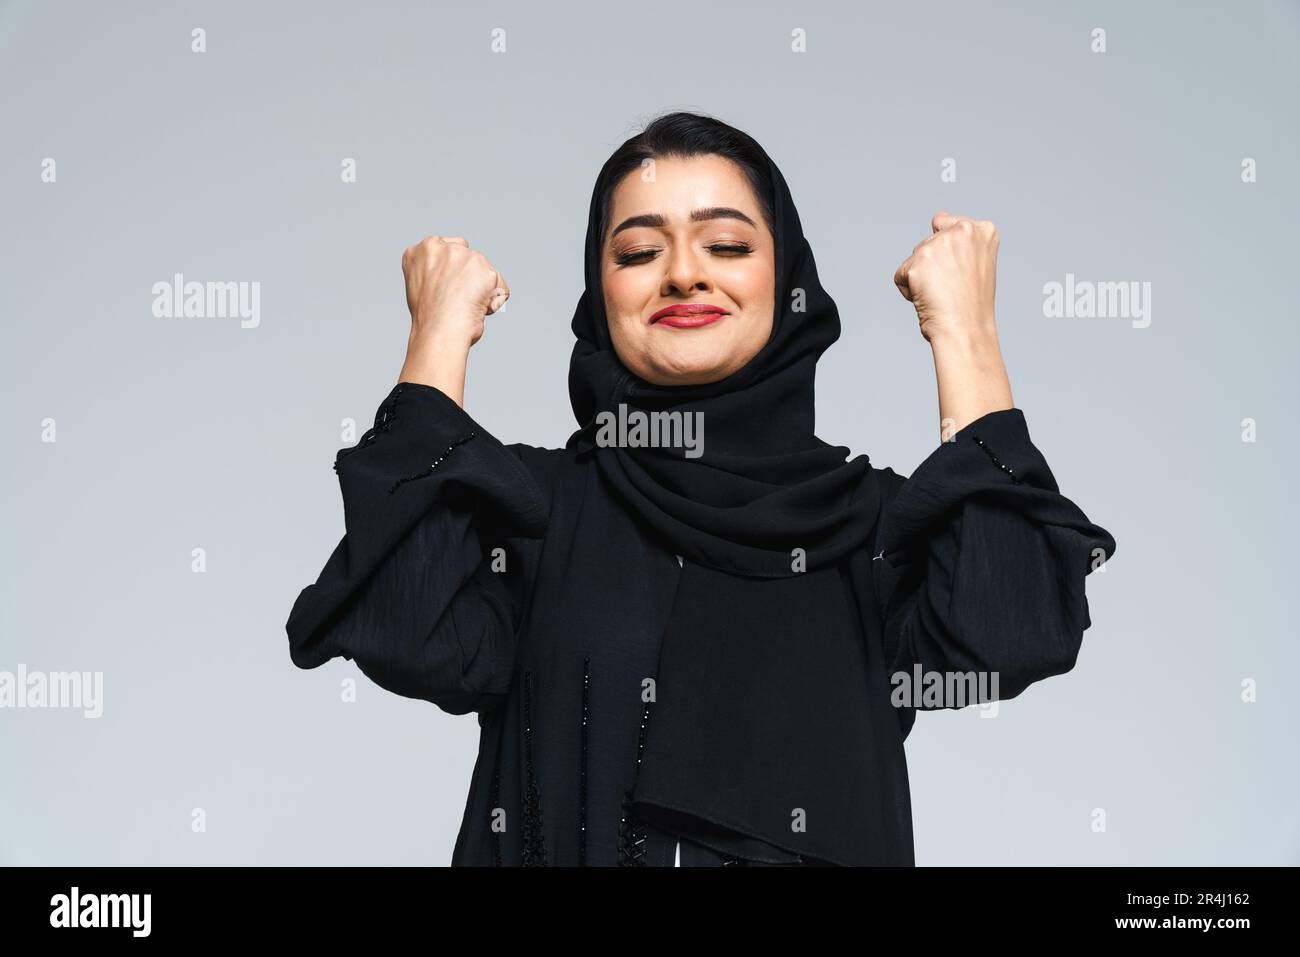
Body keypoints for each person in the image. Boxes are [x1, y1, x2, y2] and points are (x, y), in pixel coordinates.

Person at [284, 110, 1116, 866]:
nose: (683, 275)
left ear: (786, 277)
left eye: (726, 246)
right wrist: (438, 341)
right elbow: (400, 627)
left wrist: (963, 330)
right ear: (599, 292)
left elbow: (1013, 633)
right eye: (639, 252)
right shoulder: (534, 507)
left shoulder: (873, 527)